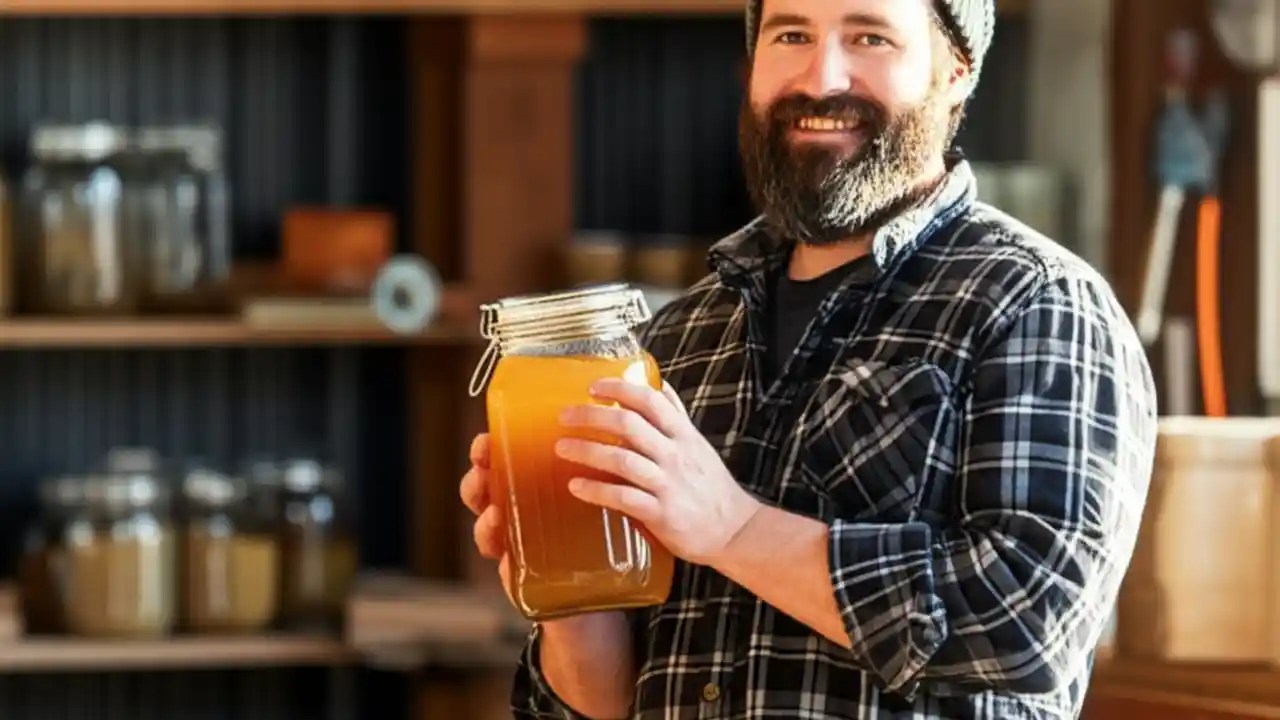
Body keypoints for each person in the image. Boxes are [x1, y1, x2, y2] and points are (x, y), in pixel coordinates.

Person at [460, 0, 1158, 716]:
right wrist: (571, 585)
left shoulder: (1036, 305)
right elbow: (608, 705)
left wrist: (736, 529)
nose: (822, 78)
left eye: (870, 37)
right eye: (791, 34)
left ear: (956, 70)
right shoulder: (679, 338)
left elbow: (1028, 624)